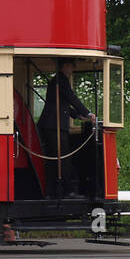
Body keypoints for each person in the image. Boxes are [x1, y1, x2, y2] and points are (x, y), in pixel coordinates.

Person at [36, 62, 96, 199]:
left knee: (57, 157)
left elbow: (61, 104)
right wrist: (88, 114)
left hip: (51, 124)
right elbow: (71, 98)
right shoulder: (60, 80)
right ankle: (68, 191)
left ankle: (53, 191)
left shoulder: (58, 80)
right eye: (70, 66)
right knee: (63, 157)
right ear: (64, 66)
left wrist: (76, 115)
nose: (72, 69)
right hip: (54, 125)